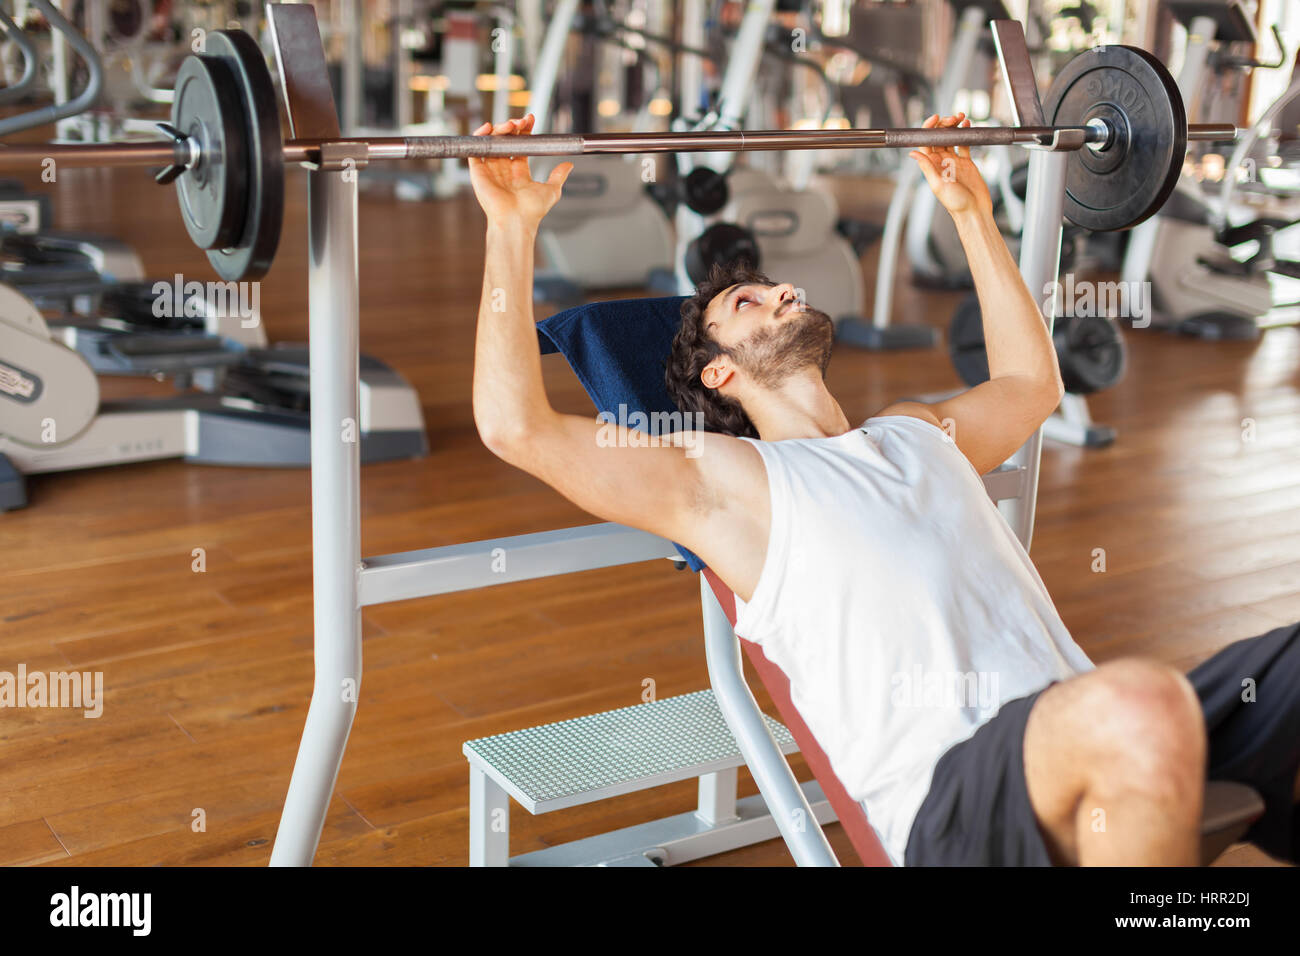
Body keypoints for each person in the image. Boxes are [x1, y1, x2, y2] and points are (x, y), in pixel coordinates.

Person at [467, 112, 1300, 866]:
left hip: (1079, 735)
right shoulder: (720, 479)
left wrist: (971, 209)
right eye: (747, 302)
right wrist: (511, 229)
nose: (783, 290)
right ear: (718, 373)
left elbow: (1029, 383)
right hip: (953, 801)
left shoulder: (914, 431)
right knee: (1136, 702)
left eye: (776, 285)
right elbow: (517, 428)